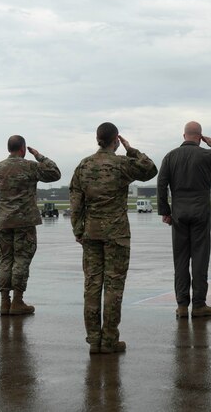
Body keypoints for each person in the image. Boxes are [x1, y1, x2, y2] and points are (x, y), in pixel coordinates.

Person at [70, 123, 157, 354]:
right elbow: (150, 169)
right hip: (116, 233)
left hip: (91, 233)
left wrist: (78, 230)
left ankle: (93, 339)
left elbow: (76, 202)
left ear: (97, 138)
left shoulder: (84, 165)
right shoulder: (122, 164)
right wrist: (132, 150)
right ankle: (109, 340)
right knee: (113, 286)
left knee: (92, 285)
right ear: (115, 140)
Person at [157, 121, 211, 318]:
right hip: (200, 213)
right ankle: (199, 305)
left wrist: (165, 211)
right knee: (200, 259)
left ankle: (182, 306)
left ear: (184, 136)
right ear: (200, 137)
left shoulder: (170, 156)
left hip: (179, 214)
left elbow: (161, 184)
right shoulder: (206, 154)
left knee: (181, 260)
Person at [0, 135, 61, 316]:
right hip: (24, 222)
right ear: (23, 149)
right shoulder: (29, 166)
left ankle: (5, 302)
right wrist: (39, 156)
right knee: (21, 259)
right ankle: (17, 301)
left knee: (5, 260)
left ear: (8, 148)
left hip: (3, 222)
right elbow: (55, 173)